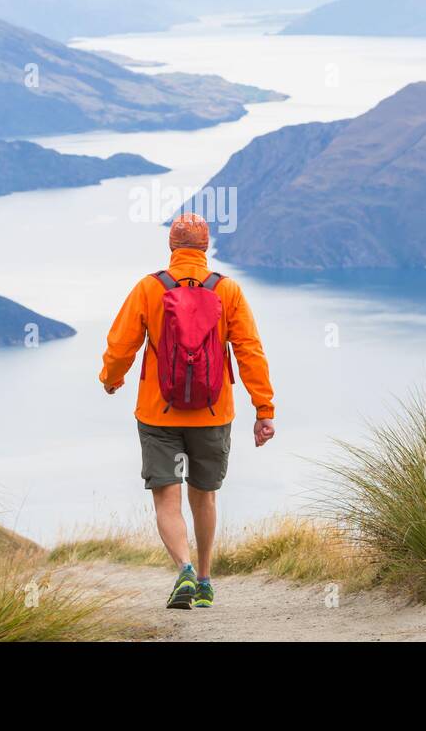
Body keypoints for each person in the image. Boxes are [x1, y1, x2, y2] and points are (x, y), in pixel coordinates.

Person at [100, 212, 276, 609]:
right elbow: (250, 352)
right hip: (213, 414)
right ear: (206, 247)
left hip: (158, 412)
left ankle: (182, 569)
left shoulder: (150, 288)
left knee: (167, 497)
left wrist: (111, 378)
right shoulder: (226, 290)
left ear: (172, 247)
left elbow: (121, 344)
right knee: (205, 497)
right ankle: (205, 577)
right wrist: (263, 408)